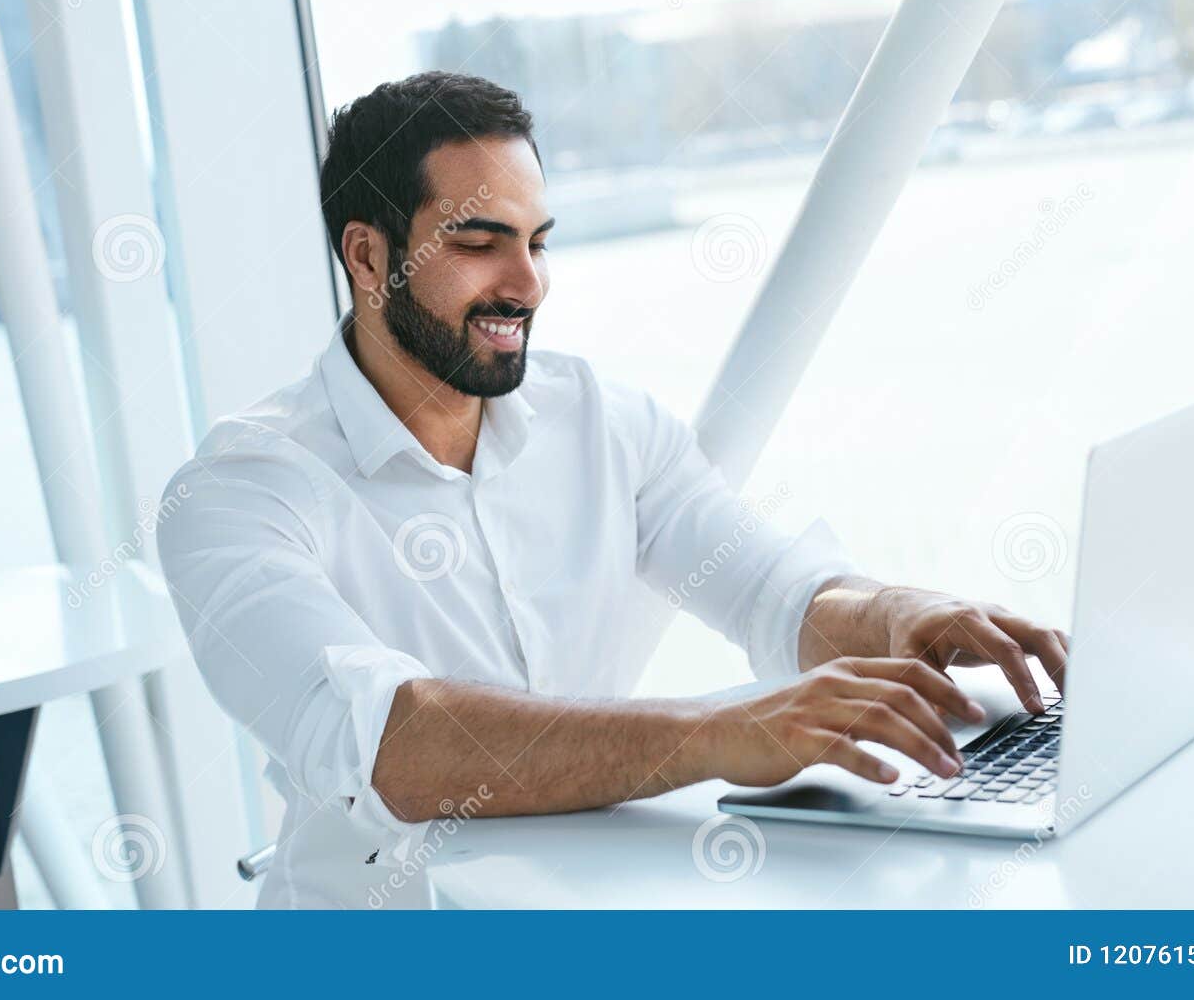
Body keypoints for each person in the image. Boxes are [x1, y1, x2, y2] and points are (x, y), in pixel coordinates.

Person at [156, 70, 1069, 907]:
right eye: (479, 243)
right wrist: (715, 733)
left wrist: (899, 613)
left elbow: (773, 592)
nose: (528, 284)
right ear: (366, 255)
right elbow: (387, 742)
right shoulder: (240, 490)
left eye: (537, 242)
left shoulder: (601, 420)